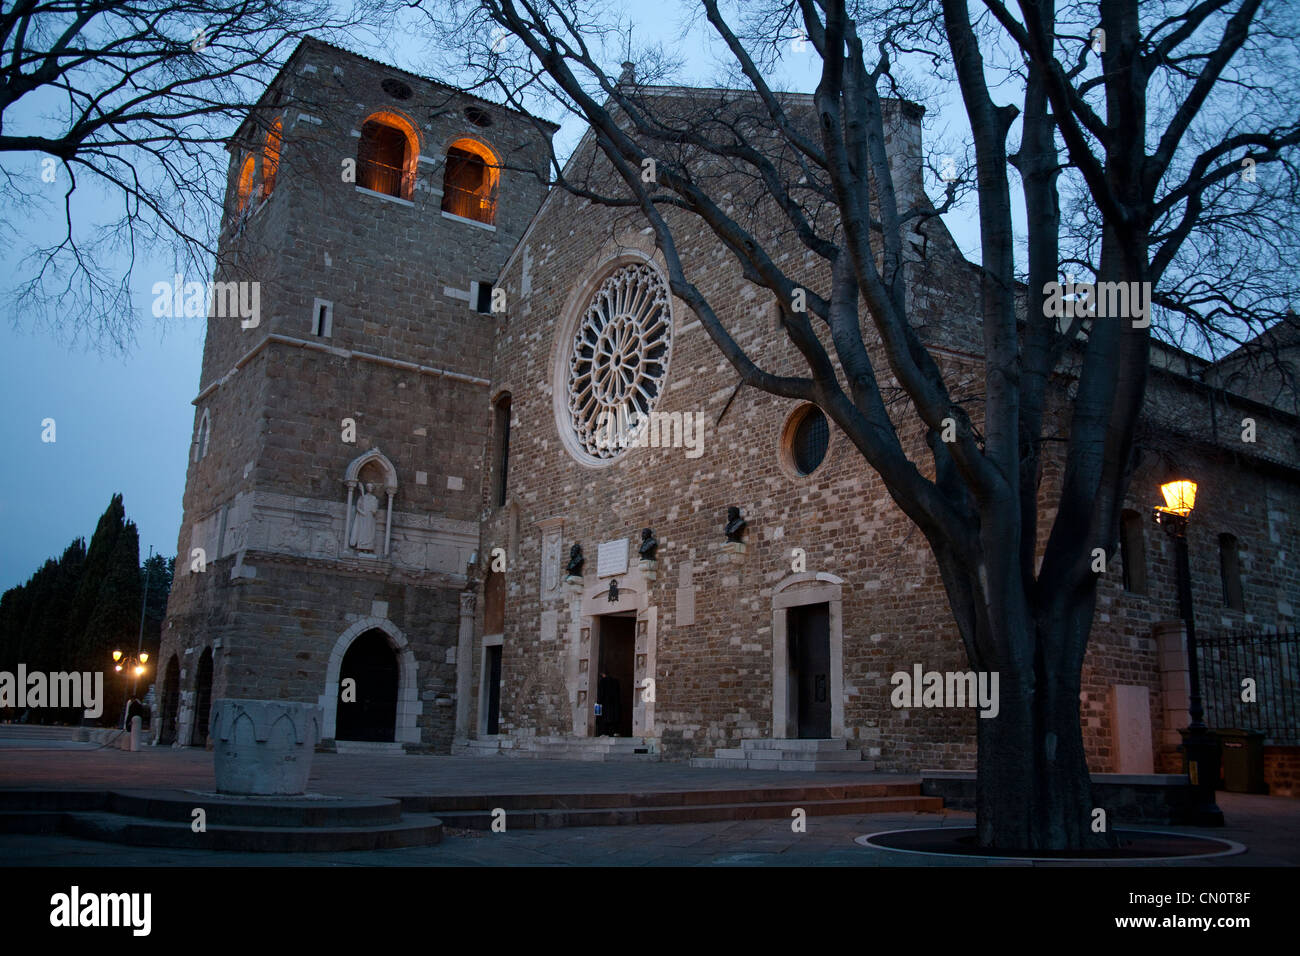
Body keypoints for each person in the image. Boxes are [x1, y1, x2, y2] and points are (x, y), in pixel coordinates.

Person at [596, 670, 622, 736]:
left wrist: (597, 703)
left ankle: (603, 733)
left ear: (603, 674)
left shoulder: (602, 682)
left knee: (603, 719)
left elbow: (600, 695)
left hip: (604, 705)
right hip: (614, 704)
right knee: (613, 718)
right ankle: (614, 732)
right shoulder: (615, 681)